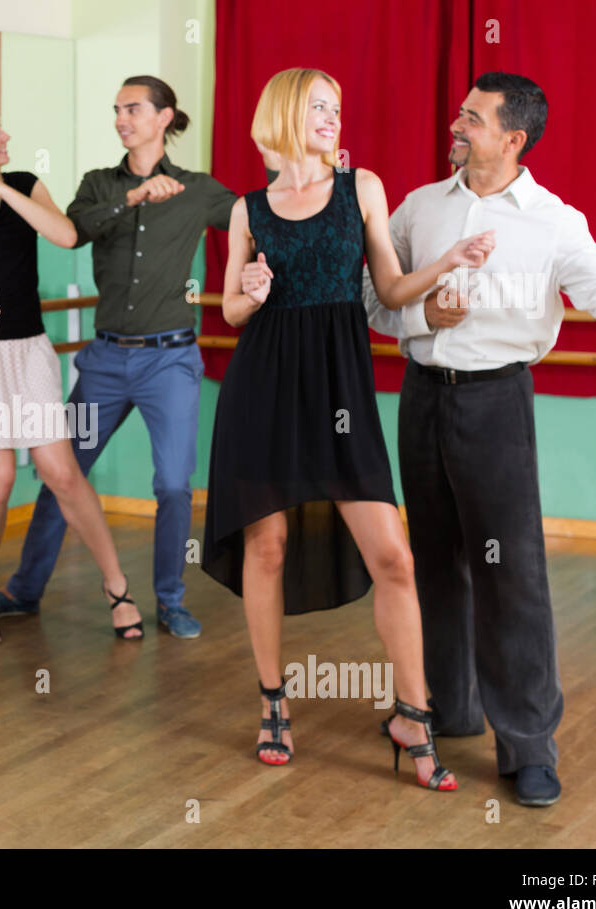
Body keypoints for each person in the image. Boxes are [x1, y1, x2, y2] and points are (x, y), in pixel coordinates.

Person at [361, 72, 596, 806]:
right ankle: (449, 707)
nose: (457, 124)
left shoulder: (553, 221)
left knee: (513, 576)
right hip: (422, 399)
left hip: (497, 403)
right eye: (460, 113)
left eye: (472, 118)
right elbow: (376, 305)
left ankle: (530, 746)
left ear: (513, 138)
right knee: (436, 566)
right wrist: (423, 323)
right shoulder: (419, 209)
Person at [207, 68, 495, 788]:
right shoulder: (248, 208)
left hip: (340, 389)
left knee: (393, 557)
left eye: (338, 106)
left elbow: (391, 290)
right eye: (318, 107)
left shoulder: (361, 188)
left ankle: (412, 714)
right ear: (284, 114)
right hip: (262, 390)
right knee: (265, 549)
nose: (333, 116)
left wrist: (447, 263)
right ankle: (274, 702)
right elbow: (230, 313)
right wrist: (250, 292)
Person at [0, 76, 236, 640]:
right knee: (63, 473)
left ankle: (171, 600)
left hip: (170, 363)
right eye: (117, 109)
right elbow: (75, 232)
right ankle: (25, 590)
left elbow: (255, 223)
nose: (121, 118)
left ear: (164, 117)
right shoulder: (98, 184)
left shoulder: (198, 190)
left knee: (174, 485)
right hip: (103, 363)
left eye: (133, 109)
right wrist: (132, 198)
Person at [0, 98, 145, 644]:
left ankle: (117, 587)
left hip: (31, 350)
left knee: (63, 474)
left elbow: (65, 235)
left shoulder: (22, 182)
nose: (6, 138)